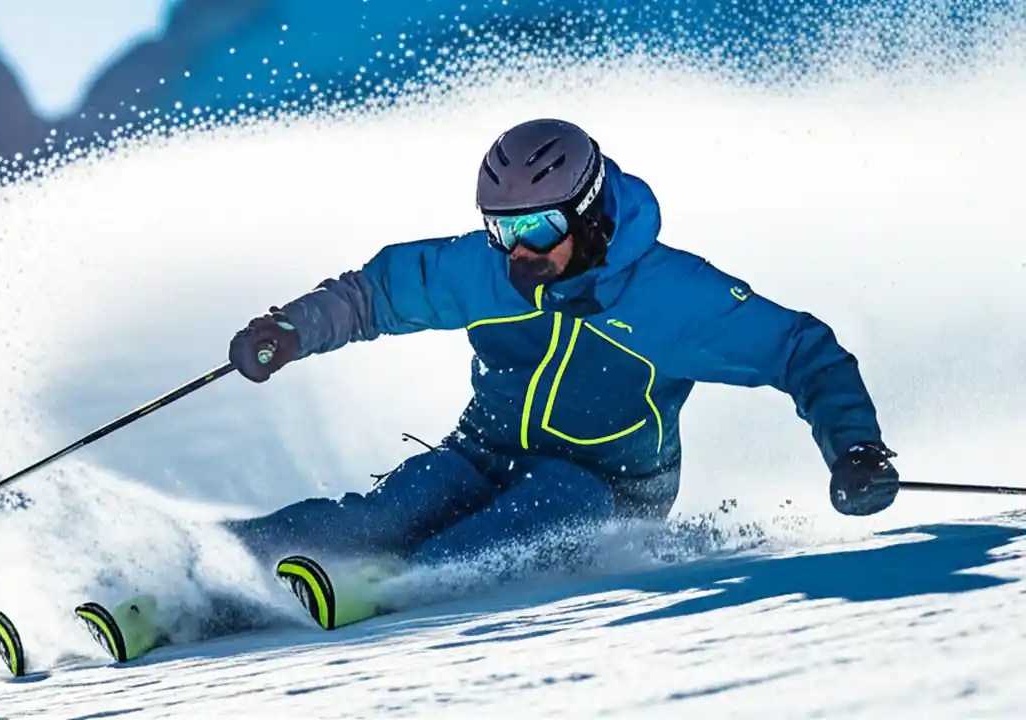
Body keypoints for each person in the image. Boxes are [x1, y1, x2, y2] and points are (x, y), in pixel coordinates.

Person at [222, 118, 900, 571]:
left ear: (589, 211)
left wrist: (855, 449)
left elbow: (803, 351)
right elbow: (373, 295)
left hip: (610, 488)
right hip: (483, 454)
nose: (519, 251)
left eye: (541, 227)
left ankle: (382, 587)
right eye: (501, 228)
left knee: (475, 544)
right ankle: (217, 567)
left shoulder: (669, 296)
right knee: (381, 518)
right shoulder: (484, 271)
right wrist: (290, 329)